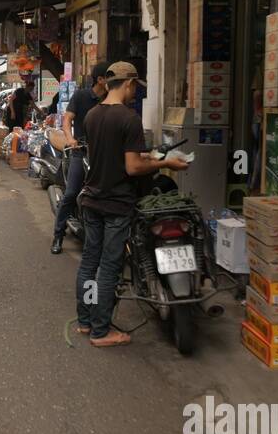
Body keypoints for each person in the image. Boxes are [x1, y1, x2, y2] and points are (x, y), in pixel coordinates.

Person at [75, 62, 188, 347]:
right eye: (135, 86)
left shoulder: (91, 115)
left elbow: (111, 155)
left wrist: (148, 158)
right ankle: (101, 331)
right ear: (128, 84)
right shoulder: (129, 118)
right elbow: (132, 167)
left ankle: (85, 322)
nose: (136, 91)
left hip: (92, 198)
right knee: (109, 266)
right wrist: (166, 162)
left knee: (89, 262)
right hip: (116, 202)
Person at [51, 62, 113, 255]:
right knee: (71, 194)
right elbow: (67, 119)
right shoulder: (81, 96)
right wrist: (70, 138)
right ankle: (58, 235)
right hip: (81, 152)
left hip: (104, 154)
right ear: (101, 79)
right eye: (110, 77)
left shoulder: (112, 99)